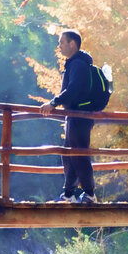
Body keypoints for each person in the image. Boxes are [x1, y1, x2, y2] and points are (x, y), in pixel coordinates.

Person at [41, 30, 105, 204]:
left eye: (62, 42)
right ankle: (69, 194)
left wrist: (53, 103)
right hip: (75, 115)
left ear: (72, 44)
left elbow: (73, 90)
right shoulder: (75, 63)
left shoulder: (78, 64)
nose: (59, 46)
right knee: (69, 154)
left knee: (78, 154)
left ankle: (90, 194)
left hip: (80, 115)